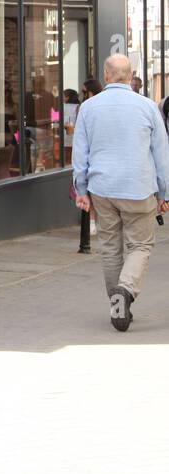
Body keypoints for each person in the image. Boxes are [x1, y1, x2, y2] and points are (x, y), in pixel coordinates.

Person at [72, 55, 169, 331]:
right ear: (130, 76)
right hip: (139, 188)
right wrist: (165, 193)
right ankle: (125, 291)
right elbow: (162, 155)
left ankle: (117, 306)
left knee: (110, 248)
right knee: (140, 245)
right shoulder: (148, 107)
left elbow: (81, 154)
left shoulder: (88, 108)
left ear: (106, 75)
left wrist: (81, 189)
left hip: (102, 189)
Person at [74, 78, 102, 253]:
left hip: (96, 154)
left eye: (84, 92)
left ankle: (92, 224)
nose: (82, 95)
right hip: (90, 155)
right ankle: (91, 224)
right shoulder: (83, 107)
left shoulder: (92, 107)